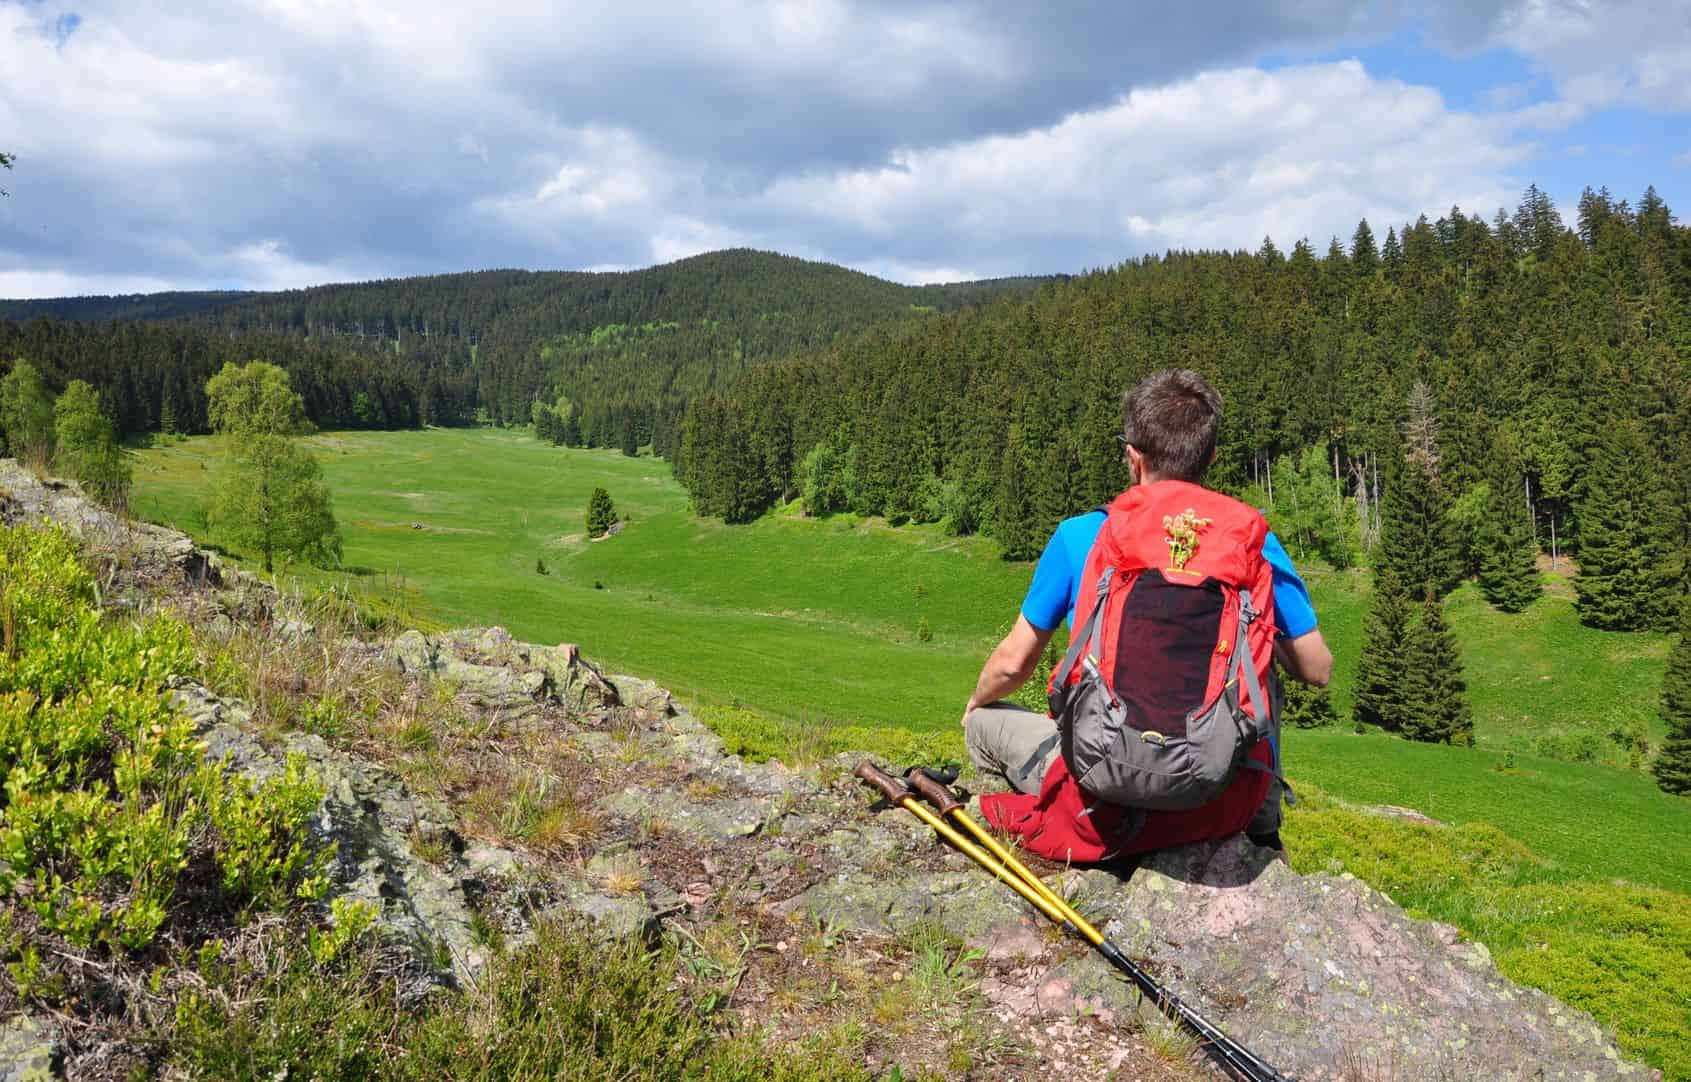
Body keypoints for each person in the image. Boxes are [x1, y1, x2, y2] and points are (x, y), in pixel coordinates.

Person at [962, 368, 1332, 855]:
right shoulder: (1250, 542)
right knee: (1263, 662)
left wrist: (975, 703)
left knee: (984, 724)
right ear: (1211, 457)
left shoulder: (1080, 534)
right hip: (1218, 802)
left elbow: (1013, 664)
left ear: (1134, 457)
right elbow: (1317, 669)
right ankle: (1263, 828)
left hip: (1103, 793)